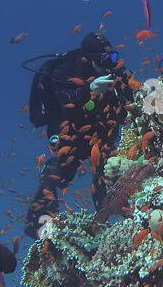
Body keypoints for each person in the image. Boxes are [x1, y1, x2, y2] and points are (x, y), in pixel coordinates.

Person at [23, 32, 134, 238]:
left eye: (111, 58)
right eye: (102, 60)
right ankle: (37, 224)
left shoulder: (115, 72)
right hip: (71, 132)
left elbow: (133, 97)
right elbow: (63, 101)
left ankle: (105, 226)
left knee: (105, 173)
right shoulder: (66, 70)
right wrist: (88, 89)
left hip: (100, 133)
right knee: (60, 170)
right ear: (88, 59)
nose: (108, 65)